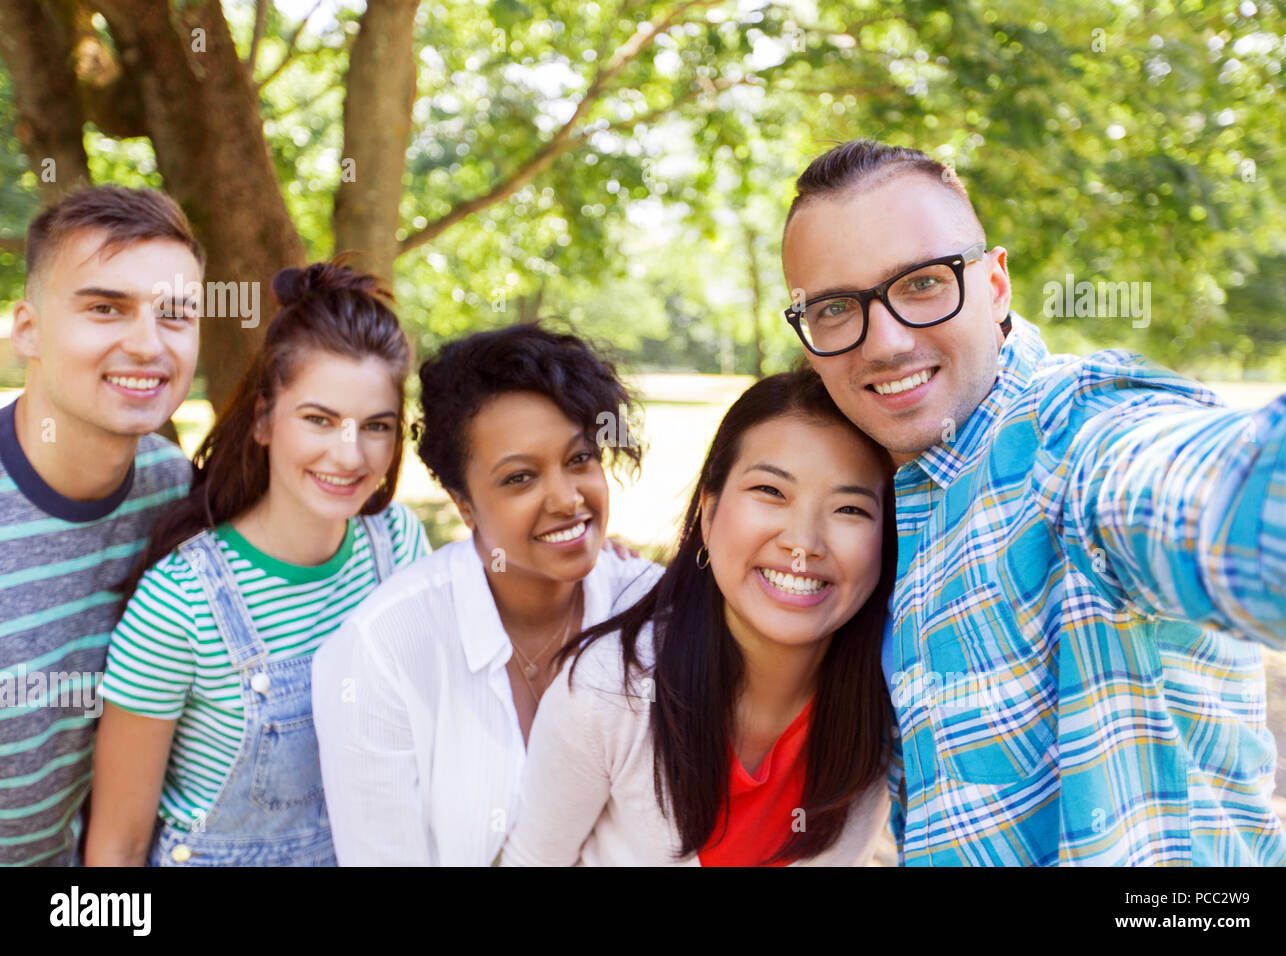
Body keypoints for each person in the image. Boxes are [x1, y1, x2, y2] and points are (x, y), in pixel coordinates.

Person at [780, 139, 1286, 865]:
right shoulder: (886, 506)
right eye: (836, 307)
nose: (887, 342)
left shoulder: (1072, 434)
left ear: (996, 286)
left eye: (924, 283)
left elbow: (1202, 493)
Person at [84, 262, 429, 866]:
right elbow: (118, 845)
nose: (349, 455)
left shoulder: (397, 546)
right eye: (319, 420)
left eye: (376, 426)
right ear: (266, 419)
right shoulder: (180, 601)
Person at [501, 367, 895, 866]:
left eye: (850, 510)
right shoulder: (607, 695)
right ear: (709, 516)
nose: (803, 543)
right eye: (771, 492)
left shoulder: (892, 704)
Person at [312, 324, 662, 866]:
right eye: (520, 478)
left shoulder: (651, 613)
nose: (568, 500)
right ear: (464, 504)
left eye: (579, 459)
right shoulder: (382, 651)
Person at [0, 186, 201, 866]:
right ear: (26, 328)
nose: (147, 345)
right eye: (105, 308)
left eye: (176, 314)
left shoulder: (172, 492)